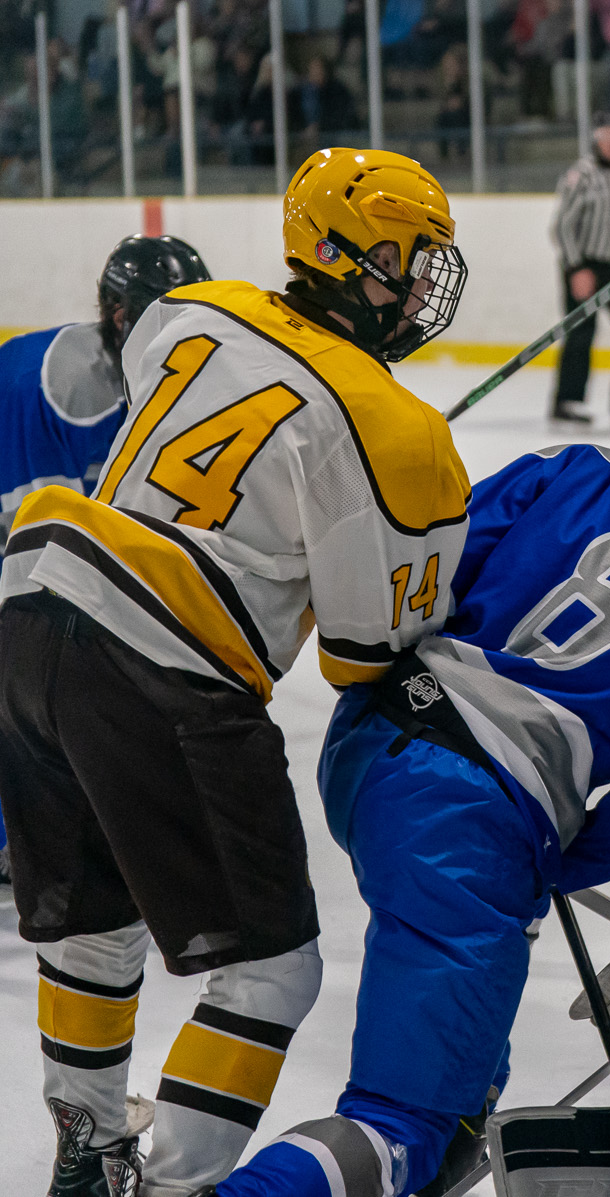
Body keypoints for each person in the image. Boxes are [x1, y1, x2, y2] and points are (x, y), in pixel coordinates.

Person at [214, 380, 610, 1197]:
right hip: (471, 820)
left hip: (371, 742)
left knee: (465, 1090)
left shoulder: (578, 466)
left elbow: (430, 570)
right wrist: (547, 856)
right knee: (404, 1126)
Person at [0, 148, 471, 1196]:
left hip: (29, 609)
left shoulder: (195, 309)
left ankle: (86, 1152)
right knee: (270, 969)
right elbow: (361, 655)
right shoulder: (397, 427)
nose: (426, 281)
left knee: (92, 926)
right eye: (411, 258)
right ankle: (176, 1186)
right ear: (350, 256)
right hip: (158, 661)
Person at [0, 235, 211, 883]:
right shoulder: (50, 387)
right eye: (162, 316)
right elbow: (31, 538)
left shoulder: (155, 379)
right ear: (121, 316)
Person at [549, 114, 610, 425]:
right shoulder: (582, 175)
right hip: (584, 263)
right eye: (608, 136)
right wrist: (576, 268)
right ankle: (567, 401)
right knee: (581, 333)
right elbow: (562, 226)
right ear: (597, 138)